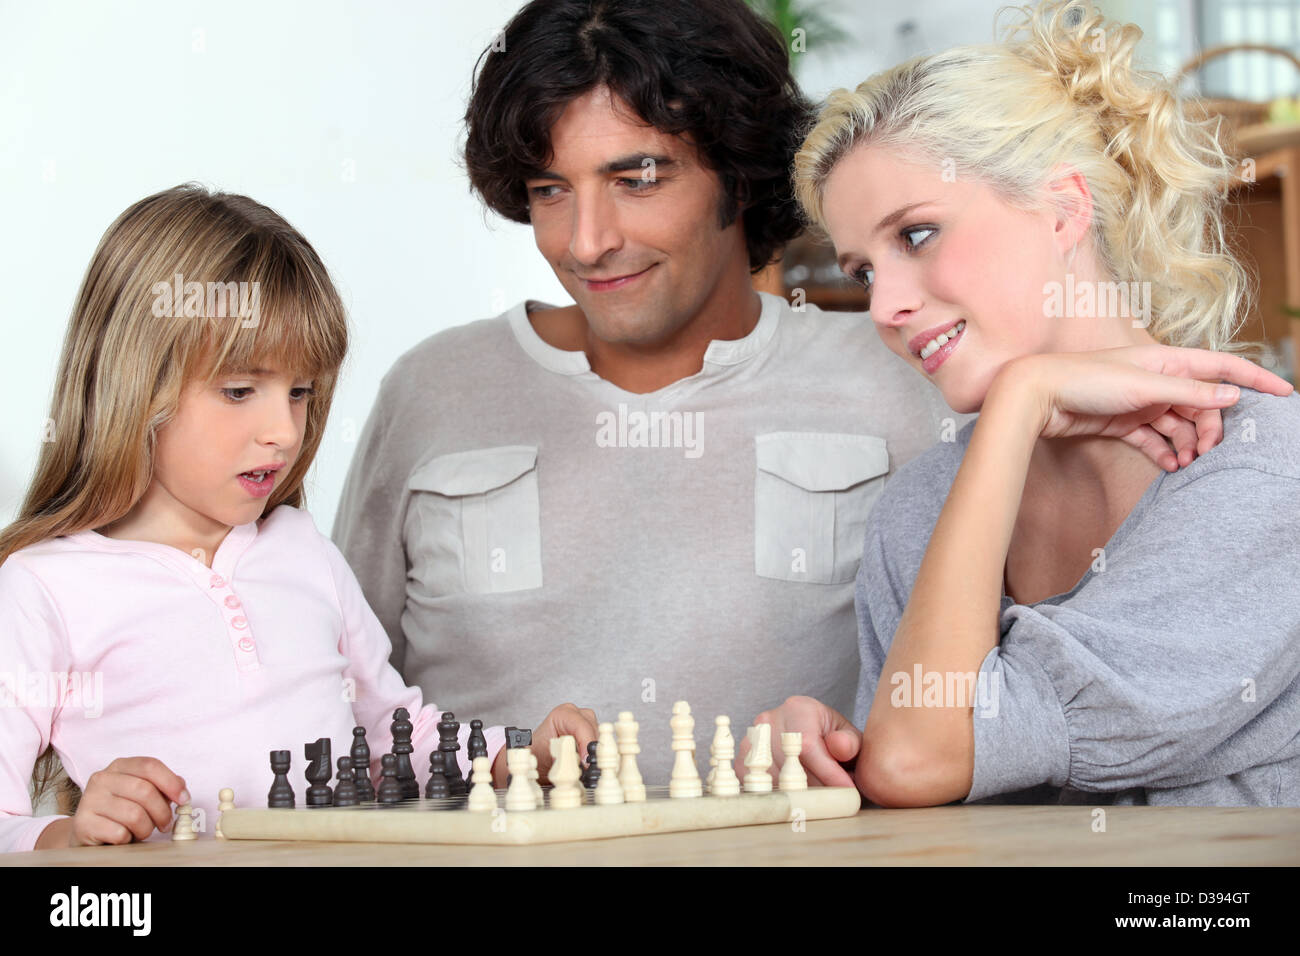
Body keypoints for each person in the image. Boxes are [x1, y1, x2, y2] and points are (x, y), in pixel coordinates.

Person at [332, 0, 968, 782]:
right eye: (549, 190)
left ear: (738, 174)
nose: (587, 242)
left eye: (636, 179)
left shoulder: (895, 381)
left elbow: (986, 698)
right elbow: (335, 695)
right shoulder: (433, 391)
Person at [744, 0, 1299, 806]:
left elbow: (924, 762)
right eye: (863, 270)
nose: (884, 306)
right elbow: (907, 785)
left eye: (918, 234)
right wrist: (834, 756)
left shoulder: (1262, 477)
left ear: (1065, 207)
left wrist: (1021, 395)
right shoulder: (923, 509)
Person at [0, 185, 598, 852]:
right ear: (134, 383)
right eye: (239, 390)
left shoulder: (301, 549)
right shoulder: (44, 587)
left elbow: (399, 740)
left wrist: (525, 757)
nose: (283, 432)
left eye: (301, 392)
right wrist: (68, 834)